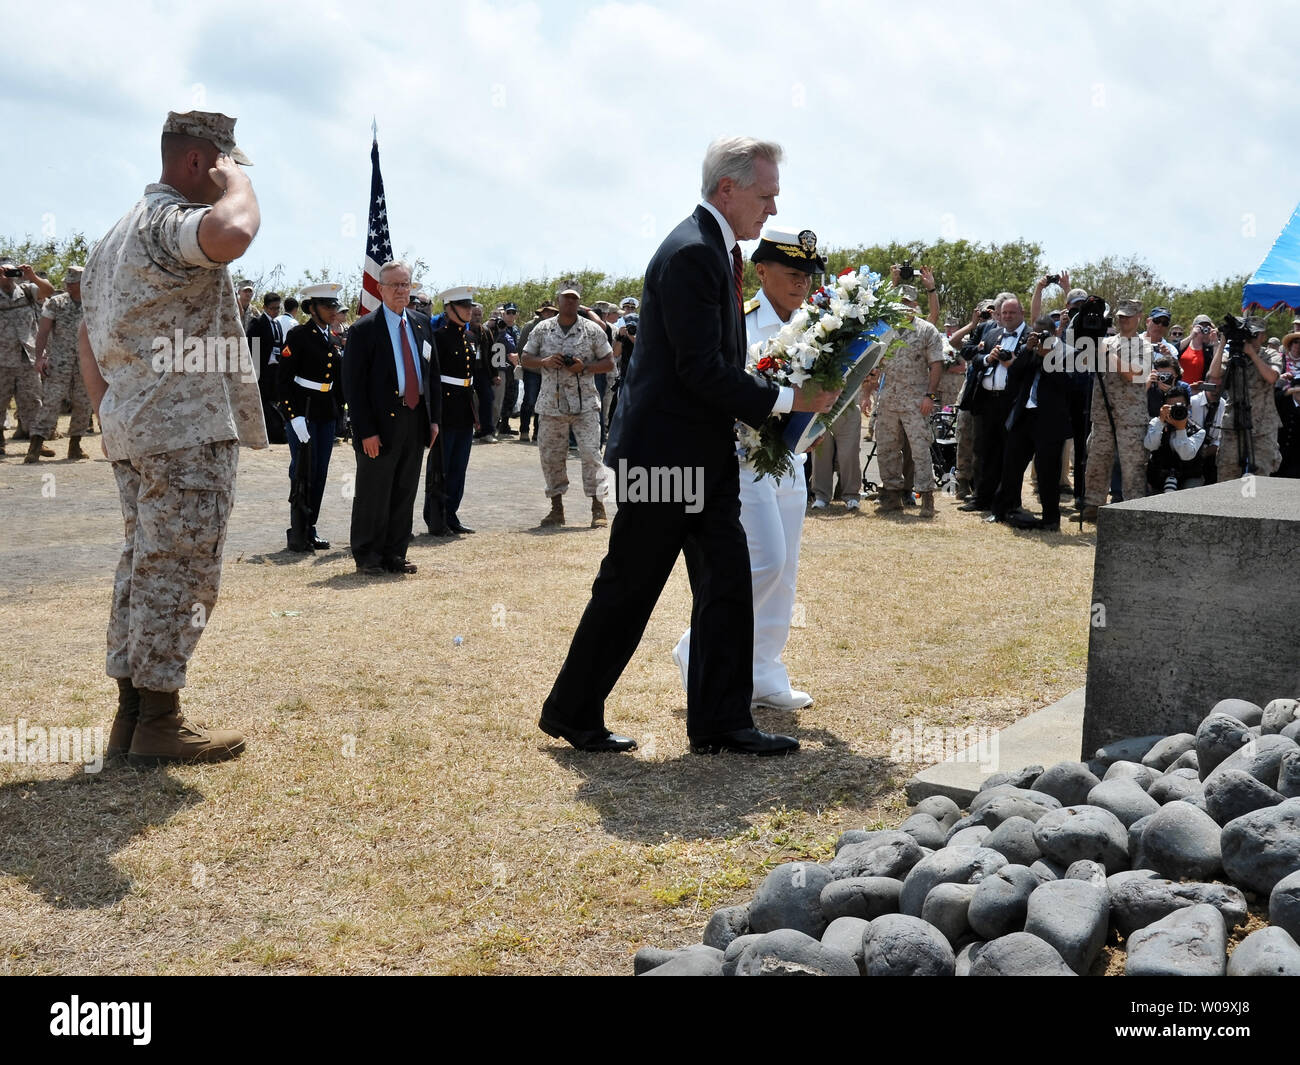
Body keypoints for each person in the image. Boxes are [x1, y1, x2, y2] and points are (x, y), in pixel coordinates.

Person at [538, 137, 837, 756]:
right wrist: (788, 400)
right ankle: (573, 709)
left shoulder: (712, 251)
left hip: (697, 458)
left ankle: (720, 722)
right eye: (765, 195)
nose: (772, 210)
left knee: (726, 585)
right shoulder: (693, 254)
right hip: (665, 460)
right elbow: (702, 369)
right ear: (727, 189)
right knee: (631, 587)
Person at [78, 108, 264, 764]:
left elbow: (85, 336)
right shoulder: (166, 223)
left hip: (139, 428)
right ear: (198, 162)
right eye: (222, 164)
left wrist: (111, 412)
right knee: (178, 571)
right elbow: (232, 232)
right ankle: (159, 718)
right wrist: (237, 184)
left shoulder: (113, 235)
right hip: (180, 432)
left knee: (144, 565)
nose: (229, 177)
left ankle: (133, 716)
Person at [672, 224, 822, 712]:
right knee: (764, 562)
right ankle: (696, 648)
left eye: (808, 273)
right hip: (744, 457)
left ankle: (764, 672)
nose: (801, 282)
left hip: (791, 458)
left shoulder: (821, 326)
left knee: (786, 571)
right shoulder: (740, 320)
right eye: (792, 271)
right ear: (761, 270)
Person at [343, 259, 437, 574]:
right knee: (374, 491)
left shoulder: (422, 323)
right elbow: (354, 388)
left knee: (404, 489)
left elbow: (430, 374)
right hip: (380, 423)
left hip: (414, 417)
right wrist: (365, 431)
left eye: (405, 284)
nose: (401, 290)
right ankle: (368, 555)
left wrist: (433, 419)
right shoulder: (363, 329)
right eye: (394, 284)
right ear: (380, 288)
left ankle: (396, 553)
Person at [521, 280, 614, 528]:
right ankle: (556, 509)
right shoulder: (543, 329)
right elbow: (525, 357)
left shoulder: (592, 330)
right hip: (551, 405)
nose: (570, 301)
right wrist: (545, 361)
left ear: (579, 301)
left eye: (574, 298)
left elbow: (609, 363)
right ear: (558, 300)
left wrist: (584, 367)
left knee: (591, 455)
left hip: (585, 405)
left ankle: (598, 506)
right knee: (551, 457)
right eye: (566, 297)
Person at [990, 317, 1074, 530]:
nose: (1038, 337)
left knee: (1048, 471)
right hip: (1024, 416)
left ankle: (1050, 519)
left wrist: (1048, 360)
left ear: (1054, 333)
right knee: (1011, 464)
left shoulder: (1067, 352)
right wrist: (1028, 350)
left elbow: (1068, 386)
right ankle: (1001, 511)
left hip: (1049, 420)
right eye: (1035, 333)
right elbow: (1015, 373)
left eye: (1043, 333)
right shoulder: (1029, 349)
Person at [277, 283, 343, 552]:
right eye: (327, 306)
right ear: (312, 307)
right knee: (302, 470)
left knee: (320, 472)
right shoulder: (299, 335)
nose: (332, 311)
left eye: (334, 306)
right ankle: (298, 531)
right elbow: (283, 380)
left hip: (324, 411)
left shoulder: (331, 336)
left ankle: (311, 527)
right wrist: (293, 416)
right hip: (303, 412)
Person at [873, 282, 945, 517]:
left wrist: (930, 396)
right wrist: (868, 392)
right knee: (886, 448)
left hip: (916, 400)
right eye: (899, 303)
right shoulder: (885, 329)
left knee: (920, 449)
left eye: (907, 303)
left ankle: (926, 497)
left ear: (915, 305)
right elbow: (874, 364)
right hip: (888, 399)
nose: (903, 307)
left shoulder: (927, 330)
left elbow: (936, 364)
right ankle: (892, 496)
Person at [1079, 299, 1152, 522]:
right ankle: (1092, 504)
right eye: (1120, 316)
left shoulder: (1145, 345)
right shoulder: (1105, 341)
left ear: (1139, 316)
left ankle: (1133, 509)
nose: (1124, 320)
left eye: (1129, 316)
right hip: (1102, 413)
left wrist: (1108, 353)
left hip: (1131, 416)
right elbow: (1082, 364)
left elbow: (1134, 374)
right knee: (1097, 461)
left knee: (1132, 465)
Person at [424, 285, 478, 535]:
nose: (469, 310)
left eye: (470, 306)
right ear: (450, 308)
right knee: (441, 466)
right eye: (464, 306)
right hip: (445, 408)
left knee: (459, 466)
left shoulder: (468, 338)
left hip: (464, 409)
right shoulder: (438, 337)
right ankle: (436, 516)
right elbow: (431, 377)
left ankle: (452, 513)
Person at [1208, 316, 1281, 480]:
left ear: (1263, 336)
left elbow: (1272, 378)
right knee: (1227, 474)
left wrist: (1252, 355)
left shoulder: (1270, 354)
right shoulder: (1233, 355)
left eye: (1254, 335)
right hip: (1234, 423)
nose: (1250, 339)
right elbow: (1213, 375)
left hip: (1263, 426)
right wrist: (1222, 343)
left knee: (1261, 475)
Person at [31, 265, 91, 461]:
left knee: (83, 403)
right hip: (59, 362)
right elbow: (43, 333)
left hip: (86, 363)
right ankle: (35, 446)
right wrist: (39, 358)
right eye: (67, 282)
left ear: (83, 283)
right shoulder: (55, 303)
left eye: (73, 282)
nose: (68, 285)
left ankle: (75, 445)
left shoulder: (94, 303)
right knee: (50, 402)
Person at [0, 256, 53, 458]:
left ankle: (36, 441)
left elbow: (48, 291)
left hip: (26, 356)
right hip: (2, 358)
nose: (9, 276)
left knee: (32, 400)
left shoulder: (27, 290)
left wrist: (32, 276)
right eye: (5, 272)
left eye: (13, 272)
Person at [246, 290, 287, 444]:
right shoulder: (258, 323)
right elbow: (253, 346)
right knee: (262, 401)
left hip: (275, 368)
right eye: (272, 308)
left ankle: (274, 430)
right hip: (262, 369)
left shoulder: (277, 324)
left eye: (278, 308)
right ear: (264, 307)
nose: (275, 311)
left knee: (273, 399)